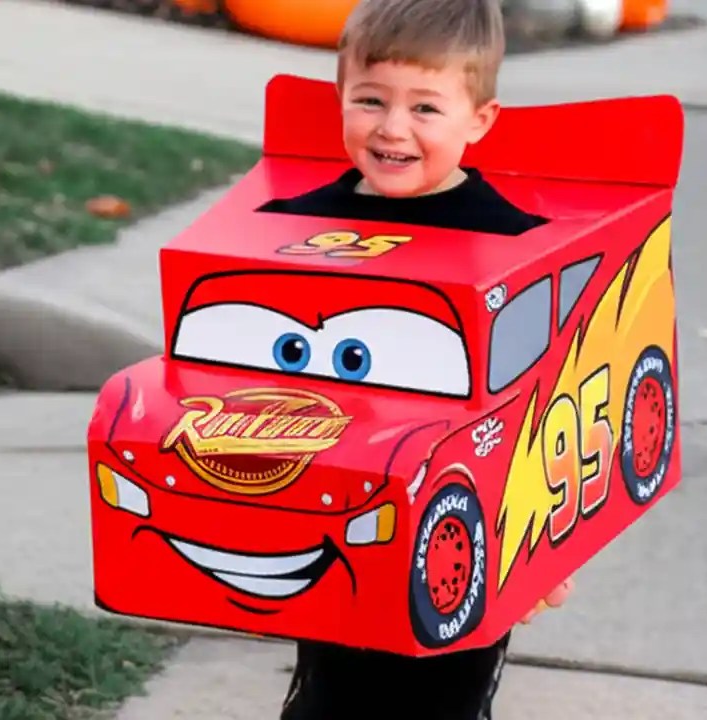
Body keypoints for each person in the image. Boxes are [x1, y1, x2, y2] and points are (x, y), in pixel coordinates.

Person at [260, 0, 576, 717]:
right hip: (341, 510)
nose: (392, 128)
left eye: (425, 108)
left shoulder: (512, 242)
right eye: (369, 100)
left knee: (444, 699)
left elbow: (561, 392)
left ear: (480, 119)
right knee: (328, 694)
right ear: (339, 98)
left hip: (463, 527)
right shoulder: (296, 229)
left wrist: (554, 541)